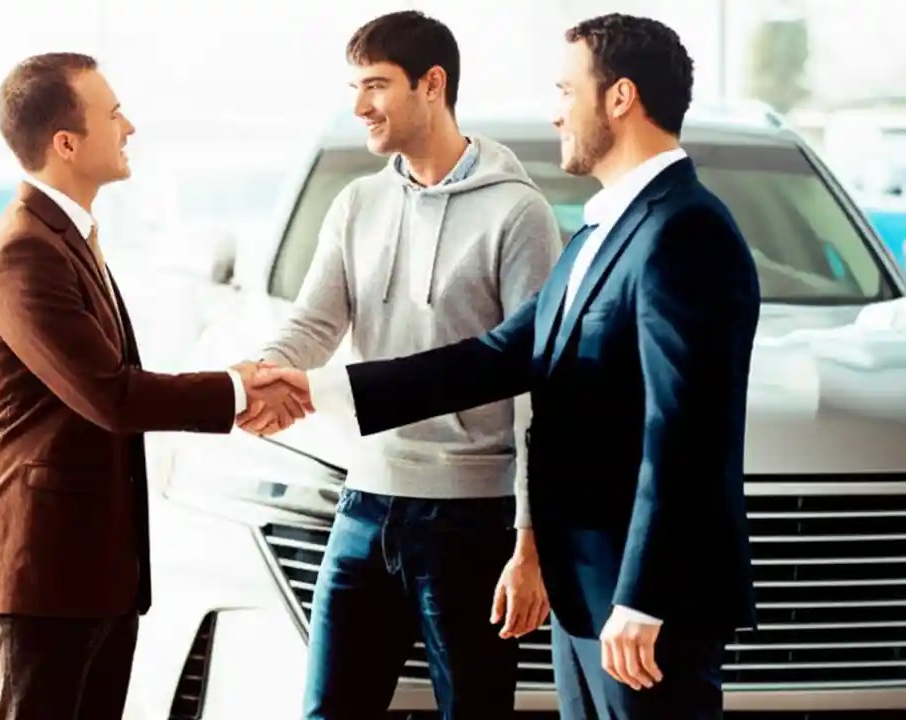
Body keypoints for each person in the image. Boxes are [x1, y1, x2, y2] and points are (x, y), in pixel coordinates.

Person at [254, 14, 760, 719]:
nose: (554, 111)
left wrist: (645, 596)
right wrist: (315, 387)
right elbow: (497, 358)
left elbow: (685, 433)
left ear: (620, 98)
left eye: (564, 90)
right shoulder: (600, 232)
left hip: (638, 599)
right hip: (587, 588)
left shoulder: (685, 230)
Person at [0, 53, 307, 720]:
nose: (130, 127)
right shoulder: (23, 250)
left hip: (93, 574)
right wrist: (238, 390)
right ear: (66, 143)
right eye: (113, 113)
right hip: (44, 575)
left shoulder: (68, 236)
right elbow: (111, 396)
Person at [237, 10, 559, 719]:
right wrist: (257, 374)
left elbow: (539, 390)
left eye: (376, 86)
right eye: (354, 87)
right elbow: (314, 324)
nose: (359, 107)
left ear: (431, 85)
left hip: (473, 520)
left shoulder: (519, 215)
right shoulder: (358, 203)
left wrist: (529, 542)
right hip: (363, 506)